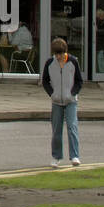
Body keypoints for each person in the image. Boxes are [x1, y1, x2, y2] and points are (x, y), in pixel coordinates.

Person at [42, 36, 83, 167]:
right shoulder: (49, 63)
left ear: (64, 52)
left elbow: (79, 81)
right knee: (56, 130)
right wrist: (52, 93)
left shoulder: (73, 62)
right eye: (56, 54)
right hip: (56, 101)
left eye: (60, 53)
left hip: (70, 101)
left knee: (72, 127)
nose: (58, 56)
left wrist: (73, 93)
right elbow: (45, 81)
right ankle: (56, 157)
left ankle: (75, 156)